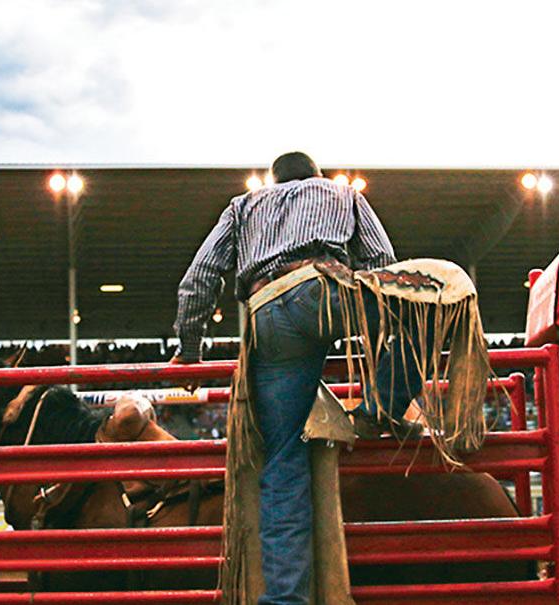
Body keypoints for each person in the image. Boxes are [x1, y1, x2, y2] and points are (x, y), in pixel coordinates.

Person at [172, 151, 422, 604]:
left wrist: (190, 352)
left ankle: (286, 599)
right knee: (427, 308)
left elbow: (199, 277)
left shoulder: (242, 206)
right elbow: (382, 261)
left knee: (283, 463)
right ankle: (378, 408)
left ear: (270, 181)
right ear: (317, 176)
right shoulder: (342, 193)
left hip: (268, 312)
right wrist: (373, 328)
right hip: (325, 290)